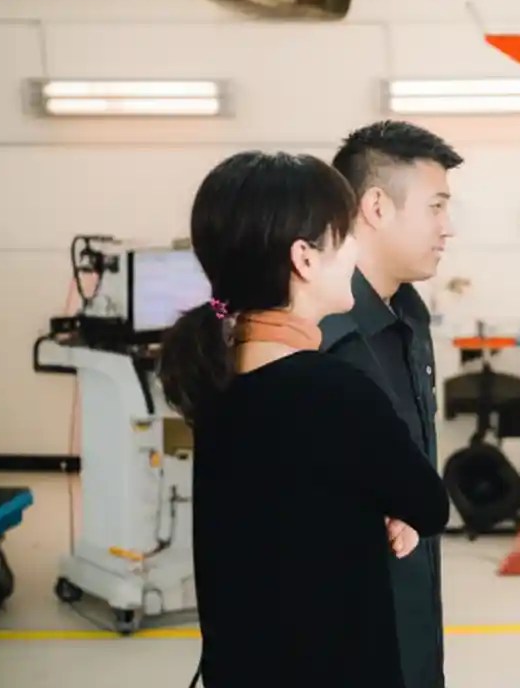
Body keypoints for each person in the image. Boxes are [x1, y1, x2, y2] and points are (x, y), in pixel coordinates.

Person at [158, 150, 451, 687]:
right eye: (343, 238)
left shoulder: (217, 387)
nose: (354, 251)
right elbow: (429, 505)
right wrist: (392, 505)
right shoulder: (335, 391)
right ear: (305, 258)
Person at [320, 120, 464, 688]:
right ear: (376, 206)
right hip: (347, 630)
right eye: (436, 207)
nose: (447, 228)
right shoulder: (318, 330)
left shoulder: (410, 315)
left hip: (414, 605)